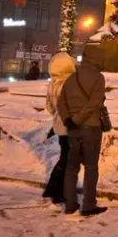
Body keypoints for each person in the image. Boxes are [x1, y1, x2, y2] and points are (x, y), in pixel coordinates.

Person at [57, 56, 108, 217]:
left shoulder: (71, 78)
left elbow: (60, 102)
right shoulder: (98, 78)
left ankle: (70, 204)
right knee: (91, 168)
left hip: (73, 129)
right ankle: (88, 205)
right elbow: (95, 103)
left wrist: (68, 120)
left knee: (71, 167)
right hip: (91, 128)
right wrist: (78, 119)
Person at [42, 53, 77, 204]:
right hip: (70, 125)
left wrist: (56, 115)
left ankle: (53, 189)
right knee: (67, 160)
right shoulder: (70, 84)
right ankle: (56, 190)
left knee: (65, 157)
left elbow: (49, 107)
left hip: (59, 125)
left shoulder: (52, 84)